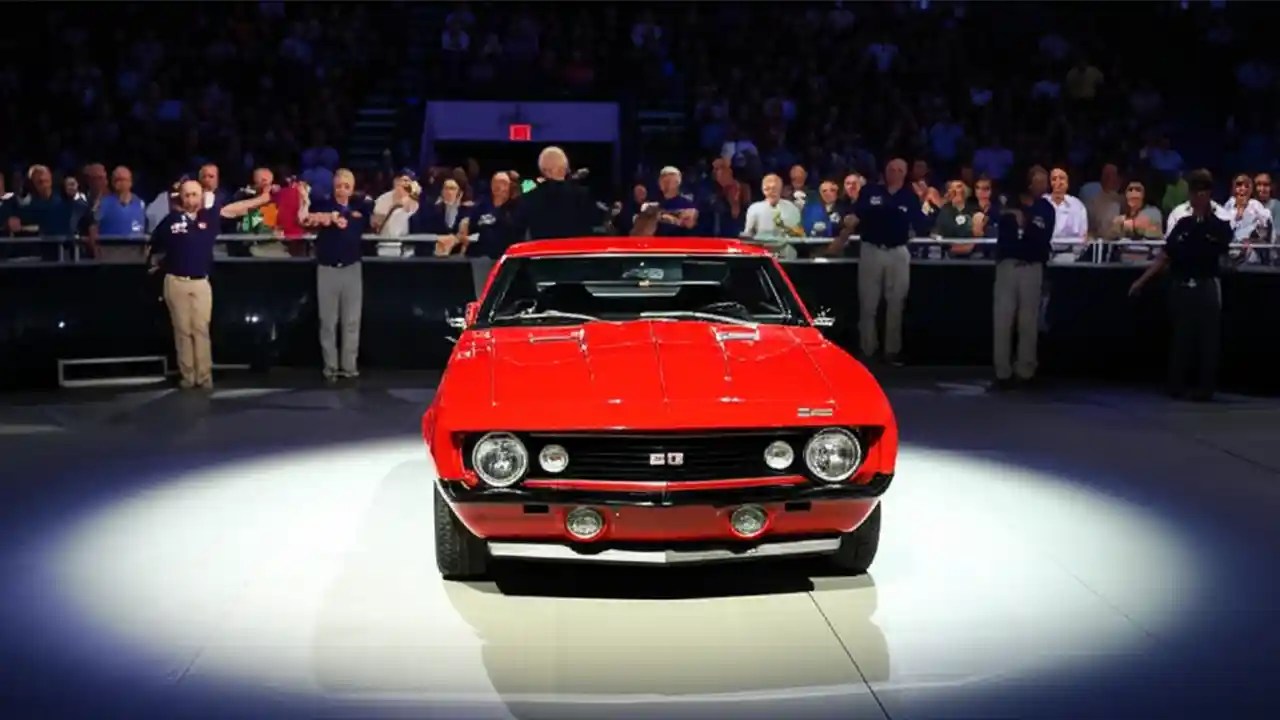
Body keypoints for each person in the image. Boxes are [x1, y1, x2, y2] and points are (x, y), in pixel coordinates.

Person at [146, 179, 273, 389]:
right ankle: (188, 377)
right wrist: (154, 263)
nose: (190, 199)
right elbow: (154, 245)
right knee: (182, 331)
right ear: (181, 197)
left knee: (201, 329)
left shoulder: (210, 217)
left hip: (200, 283)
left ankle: (204, 377)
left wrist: (262, 199)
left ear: (201, 196)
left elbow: (235, 210)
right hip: (176, 282)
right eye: (187, 195)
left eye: (194, 194)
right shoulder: (170, 220)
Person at [1129, 169, 1233, 401]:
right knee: (1181, 338)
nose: (1198, 197)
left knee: (1208, 340)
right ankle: (1176, 385)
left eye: (1202, 192)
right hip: (1182, 285)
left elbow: (1224, 254)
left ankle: (1205, 388)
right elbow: (1165, 255)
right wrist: (1141, 281)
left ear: (1208, 194)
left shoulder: (1220, 225)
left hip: (1206, 286)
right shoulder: (1183, 223)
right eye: (1195, 192)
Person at [825, 158, 930, 366]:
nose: (895, 173)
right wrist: (846, 229)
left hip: (898, 252)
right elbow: (854, 216)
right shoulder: (871, 192)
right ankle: (868, 350)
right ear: (885, 170)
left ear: (905, 173)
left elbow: (921, 225)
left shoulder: (909, 196)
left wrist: (925, 199)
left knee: (896, 304)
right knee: (868, 303)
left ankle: (892, 351)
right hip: (872, 250)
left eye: (900, 170)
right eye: (892, 169)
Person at [303, 169, 373, 382]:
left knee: (352, 321)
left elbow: (374, 221)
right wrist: (327, 217)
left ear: (352, 188)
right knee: (328, 321)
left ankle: (349, 367)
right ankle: (330, 367)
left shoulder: (362, 207)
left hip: (352, 268)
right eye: (338, 186)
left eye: (346, 186)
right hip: (327, 269)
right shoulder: (323, 205)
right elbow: (307, 219)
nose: (342, 190)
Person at [991, 167, 1055, 391]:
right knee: (1003, 319)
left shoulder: (1045, 208)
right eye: (1040, 181)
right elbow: (998, 222)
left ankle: (1025, 371)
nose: (1044, 185)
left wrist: (1024, 223)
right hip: (1008, 265)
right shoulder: (1008, 202)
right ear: (1028, 183)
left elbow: (1041, 237)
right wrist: (1012, 215)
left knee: (1028, 321)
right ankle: (1002, 372)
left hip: (1032, 267)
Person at [518, 146, 597, 240]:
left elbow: (519, 227)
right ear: (565, 168)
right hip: (574, 252)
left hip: (542, 252)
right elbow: (594, 223)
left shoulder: (530, 196)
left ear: (542, 170)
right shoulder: (582, 194)